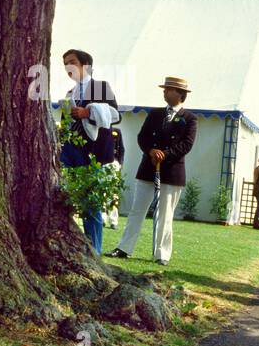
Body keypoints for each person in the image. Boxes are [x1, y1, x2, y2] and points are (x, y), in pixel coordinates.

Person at [107, 77, 197, 266]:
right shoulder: (155, 114)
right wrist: (150, 151)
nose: (164, 92)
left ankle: (161, 254)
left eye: (169, 90)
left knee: (164, 214)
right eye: (164, 89)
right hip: (148, 168)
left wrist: (165, 154)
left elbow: (186, 145)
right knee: (136, 210)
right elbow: (142, 137)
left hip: (172, 172)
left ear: (180, 94)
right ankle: (124, 248)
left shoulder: (189, 118)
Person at [59, 48, 118, 255]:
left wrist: (88, 112)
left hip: (93, 152)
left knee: (90, 204)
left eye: (72, 62)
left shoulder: (101, 87)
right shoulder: (69, 94)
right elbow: (67, 124)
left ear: (85, 65)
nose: (68, 67)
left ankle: (96, 251)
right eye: (65, 63)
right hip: (70, 151)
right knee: (63, 197)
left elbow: (116, 116)